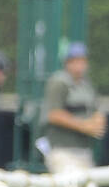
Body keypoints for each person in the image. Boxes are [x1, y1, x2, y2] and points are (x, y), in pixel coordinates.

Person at [40, 41, 105, 175]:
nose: (79, 66)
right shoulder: (59, 82)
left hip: (84, 151)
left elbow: (97, 110)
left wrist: (98, 121)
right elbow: (54, 114)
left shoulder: (86, 84)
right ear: (67, 63)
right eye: (75, 61)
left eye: (82, 61)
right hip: (62, 151)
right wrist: (84, 126)